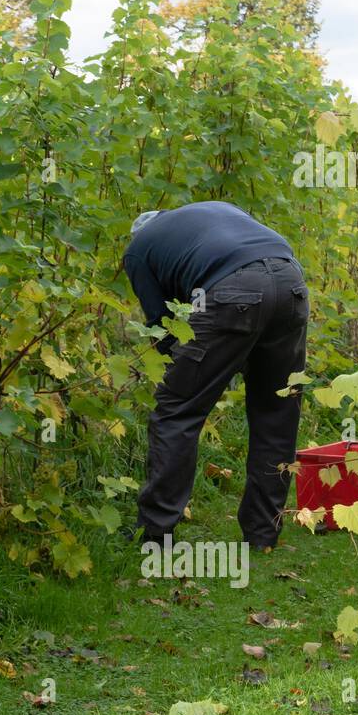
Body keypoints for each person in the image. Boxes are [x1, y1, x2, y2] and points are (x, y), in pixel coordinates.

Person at [122, 201, 309, 551]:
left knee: (176, 411)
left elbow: (163, 326)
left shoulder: (138, 250)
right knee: (277, 413)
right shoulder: (213, 212)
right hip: (290, 282)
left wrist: (193, 368)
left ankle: (156, 535)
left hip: (231, 289)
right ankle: (262, 535)